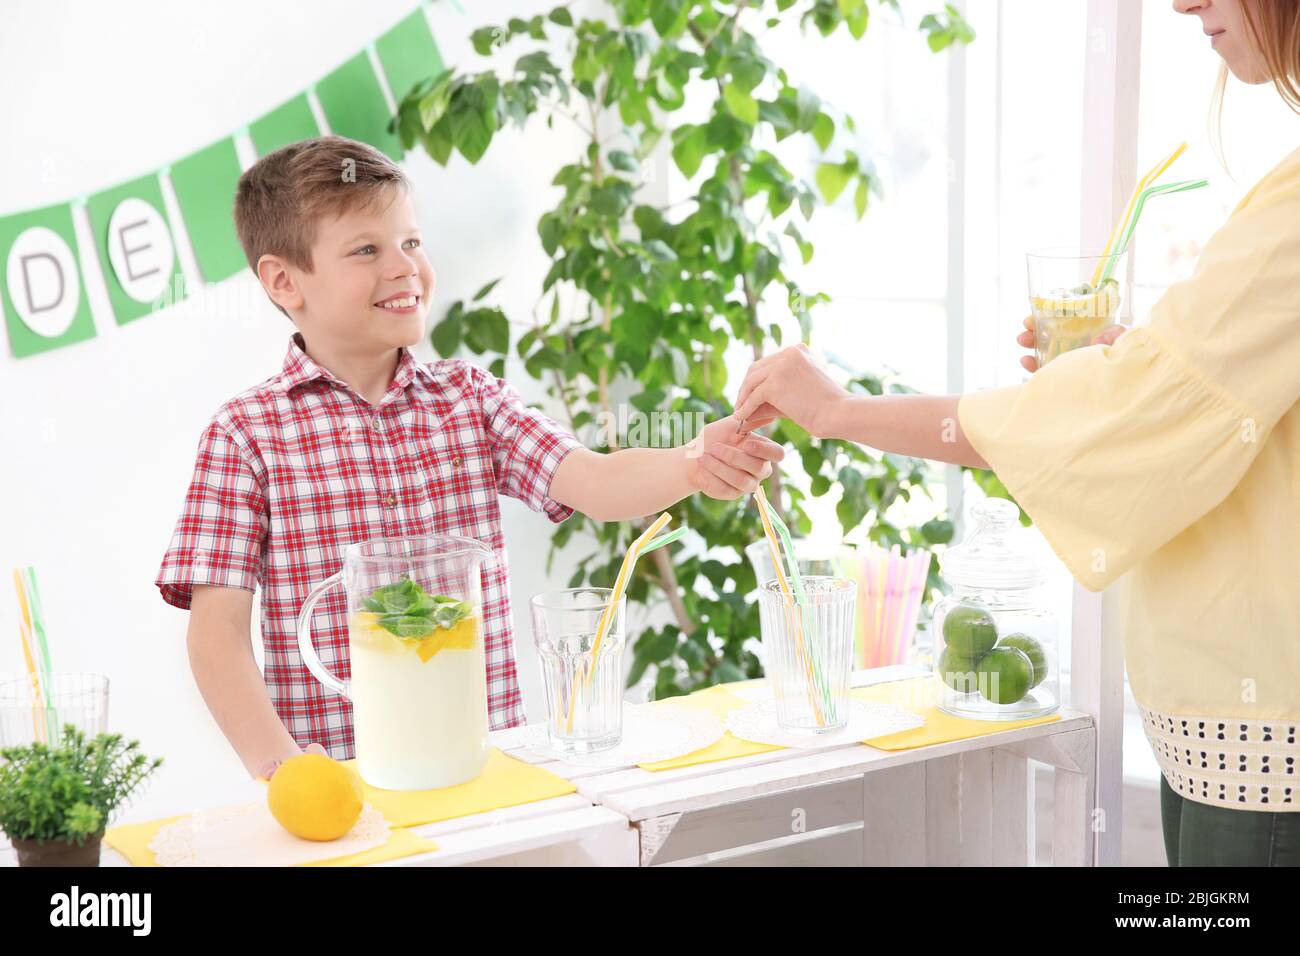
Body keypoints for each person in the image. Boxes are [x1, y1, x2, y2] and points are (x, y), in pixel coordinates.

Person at [735, 0, 1300, 865]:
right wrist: (1140, 366)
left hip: (1264, 749)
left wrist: (840, 412)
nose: (1185, 1)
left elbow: (1111, 425)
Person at [156, 135, 784, 781]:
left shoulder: (469, 398)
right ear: (285, 280)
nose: (403, 267)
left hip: (485, 772)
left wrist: (693, 460)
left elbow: (593, 480)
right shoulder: (245, 434)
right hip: (349, 787)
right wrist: (286, 773)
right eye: (366, 249)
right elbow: (217, 637)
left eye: (411, 242)